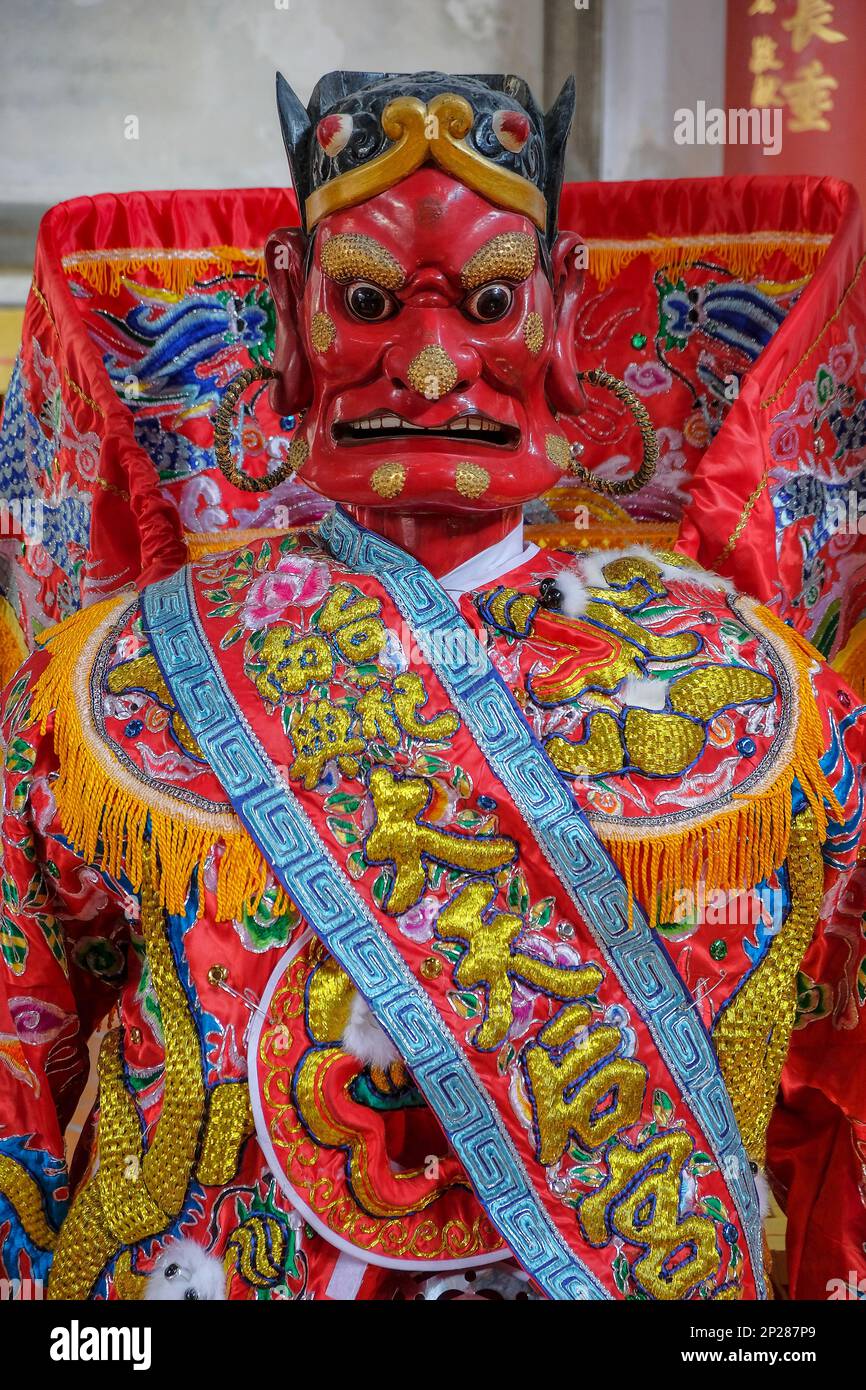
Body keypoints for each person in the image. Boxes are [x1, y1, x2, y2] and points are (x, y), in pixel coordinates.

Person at [0, 68, 863, 1302]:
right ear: (288, 318)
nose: (425, 367)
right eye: (365, 301)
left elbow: (845, 1099)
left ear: (559, 321)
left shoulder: (756, 698)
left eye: (489, 300)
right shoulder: (114, 690)